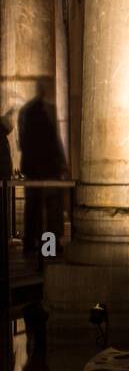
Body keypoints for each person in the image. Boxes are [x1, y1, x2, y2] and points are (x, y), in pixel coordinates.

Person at [16, 91, 67, 257]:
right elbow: (53, 142)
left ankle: (32, 245)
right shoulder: (43, 115)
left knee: (35, 210)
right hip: (47, 170)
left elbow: (22, 143)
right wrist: (61, 164)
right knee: (50, 212)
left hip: (35, 170)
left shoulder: (26, 114)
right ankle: (48, 249)